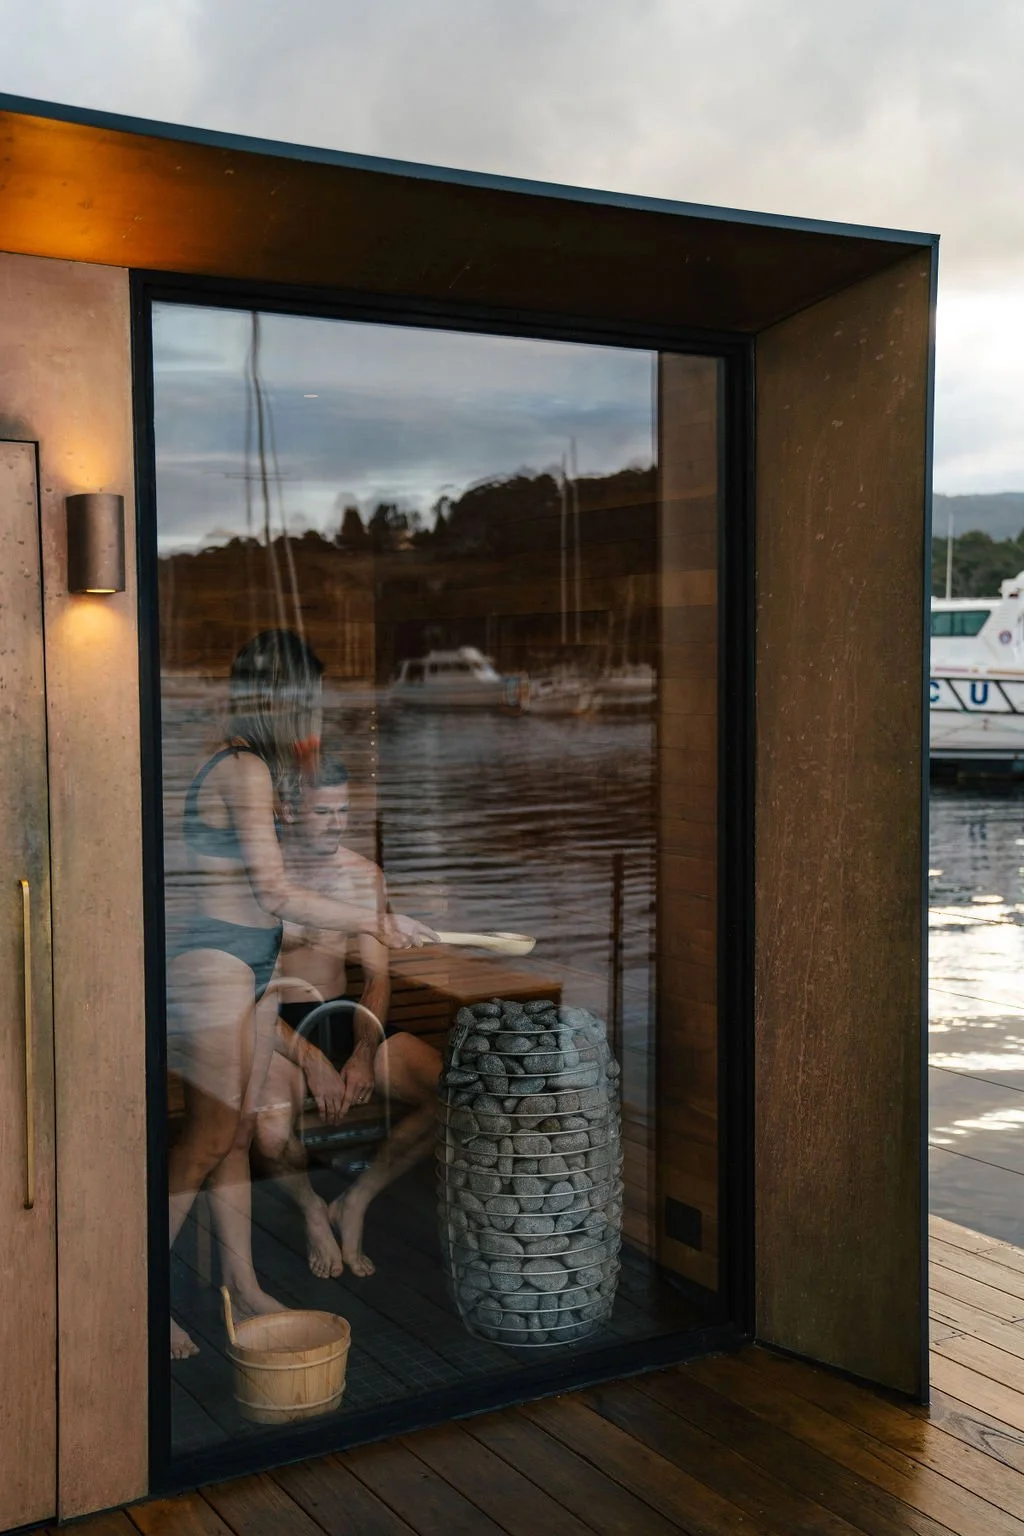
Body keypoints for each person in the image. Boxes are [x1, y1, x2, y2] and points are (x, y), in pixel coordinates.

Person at [166, 630, 436, 1359]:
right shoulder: (244, 769)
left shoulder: (249, 768)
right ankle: (140, 1299)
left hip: (249, 966)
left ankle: (242, 1283)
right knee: (204, 1141)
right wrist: (378, 919)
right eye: (307, 700)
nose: (312, 715)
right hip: (215, 963)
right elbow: (276, 890)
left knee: (228, 1141)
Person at [253, 756, 442, 1280]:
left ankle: (355, 1200)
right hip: (276, 1020)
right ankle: (312, 1205)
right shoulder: (264, 882)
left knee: (448, 1094)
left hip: (345, 1017)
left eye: (344, 810)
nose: (337, 823)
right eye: (324, 811)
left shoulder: (363, 876)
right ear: (287, 812)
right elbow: (250, 991)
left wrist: (362, 1051)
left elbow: (376, 979)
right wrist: (310, 1059)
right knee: (269, 1129)